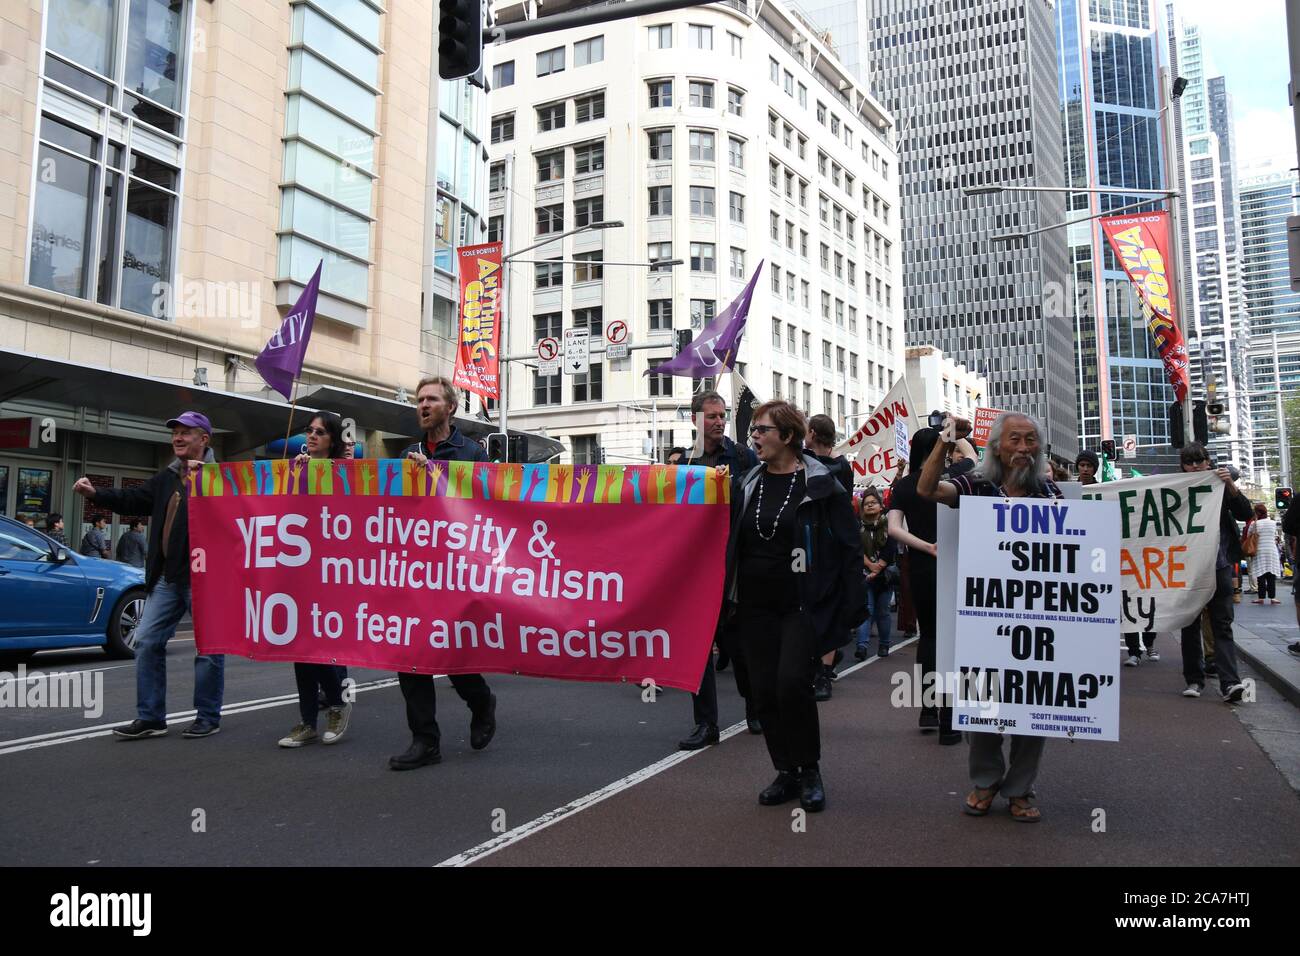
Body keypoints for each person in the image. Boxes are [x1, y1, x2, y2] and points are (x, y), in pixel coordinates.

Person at [918, 411, 1063, 822]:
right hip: (982, 616)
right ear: (997, 445)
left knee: (1033, 706)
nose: (1023, 448)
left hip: (1035, 620)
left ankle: (1020, 789)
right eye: (1015, 440)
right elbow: (927, 489)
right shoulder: (975, 485)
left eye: (1031, 440)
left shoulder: (1050, 495)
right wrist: (945, 442)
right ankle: (985, 781)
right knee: (982, 703)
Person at [726, 400, 863, 812]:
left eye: (762, 430)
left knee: (791, 684)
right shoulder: (747, 482)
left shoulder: (822, 485)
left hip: (801, 603)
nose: (755, 437)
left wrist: (852, 604)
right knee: (763, 690)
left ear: (788, 436)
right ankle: (785, 771)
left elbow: (849, 544)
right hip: (753, 604)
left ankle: (810, 770)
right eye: (753, 431)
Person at [75, 411, 224, 739]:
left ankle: (208, 715)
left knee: (210, 649)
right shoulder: (167, 477)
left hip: (205, 578)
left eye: (186, 432)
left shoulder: (222, 478)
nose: (178, 438)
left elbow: (240, 518)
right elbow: (134, 499)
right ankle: (151, 716)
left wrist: (208, 482)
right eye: (175, 433)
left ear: (204, 439)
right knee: (146, 641)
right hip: (166, 578)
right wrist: (95, 494)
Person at [390, 376, 497, 770]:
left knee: (452, 651)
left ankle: (481, 701)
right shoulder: (406, 454)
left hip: (457, 570)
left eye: (431, 399)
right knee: (409, 650)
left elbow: (488, 504)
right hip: (415, 570)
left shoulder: (472, 454)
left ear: (450, 407)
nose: (423, 405)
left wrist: (435, 470)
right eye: (419, 400)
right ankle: (425, 740)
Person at [679, 389, 760, 749]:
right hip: (698, 567)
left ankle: (755, 707)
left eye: (722, 415)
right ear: (695, 419)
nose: (719, 421)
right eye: (711, 416)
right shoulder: (684, 464)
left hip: (736, 567)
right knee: (698, 649)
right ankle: (706, 724)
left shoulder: (741, 455)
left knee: (739, 647)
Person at [279, 412, 354, 748]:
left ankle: (338, 705)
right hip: (301, 568)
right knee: (300, 645)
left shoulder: (348, 475)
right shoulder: (298, 469)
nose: (311, 436)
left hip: (334, 573)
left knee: (322, 646)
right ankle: (307, 721)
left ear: (332, 439)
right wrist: (293, 477)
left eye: (319, 432)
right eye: (308, 431)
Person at [888, 427, 961, 745]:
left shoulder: (904, 486)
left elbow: (893, 528)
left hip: (921, 565)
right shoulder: (955, 483)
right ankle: (951, 716)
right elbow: (970, 455)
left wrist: (926, 546)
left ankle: (929, 709)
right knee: (955, 637)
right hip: (957, 561)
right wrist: (954, 435)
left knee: (928, 634)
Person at [1175, 443, 1253, 702]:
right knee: (1189, 623)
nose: (1196, 467)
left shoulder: (1220, 487)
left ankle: (1230, 683)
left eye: (1200, 461)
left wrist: (1229, 485)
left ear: (1208, 462)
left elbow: (1245, 512)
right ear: (1183, 466)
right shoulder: (1176, 489)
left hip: (1218, 565)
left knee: (1222, 624)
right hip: (1188, 567)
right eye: (1190, 463)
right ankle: (1194, 680)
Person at [804, 413, 854, 700]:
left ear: (811, 433)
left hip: (818, 541)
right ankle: (823, 666)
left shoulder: (814, 466)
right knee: (826, 606)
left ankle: (822, 670)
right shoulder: (843, 466)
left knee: (820, 605)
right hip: (832, 542)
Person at [856, 488, 897, 661]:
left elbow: (891, 548)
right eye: (866, 504)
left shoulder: (889, 525)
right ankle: (862, 646)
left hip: (885, 576)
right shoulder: (858, 527)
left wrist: (878, 568)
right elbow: (856, 549)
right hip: (865, 574)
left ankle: (884, 643)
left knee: (883, 611)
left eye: (873, 503)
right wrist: (869, 566)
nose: (870, 506)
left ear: (881, 506)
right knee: (867, 609)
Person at [1247, 503, 1281, 605]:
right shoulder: (1273, 523)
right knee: (1271, 575)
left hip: (1259, 551)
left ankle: (1261, 598)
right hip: (1271, 551)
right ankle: (1273, 598)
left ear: (1257, 513)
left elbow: (1249, 535)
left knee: (1260, 575)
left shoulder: (1254, 524)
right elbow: (1275, 536)